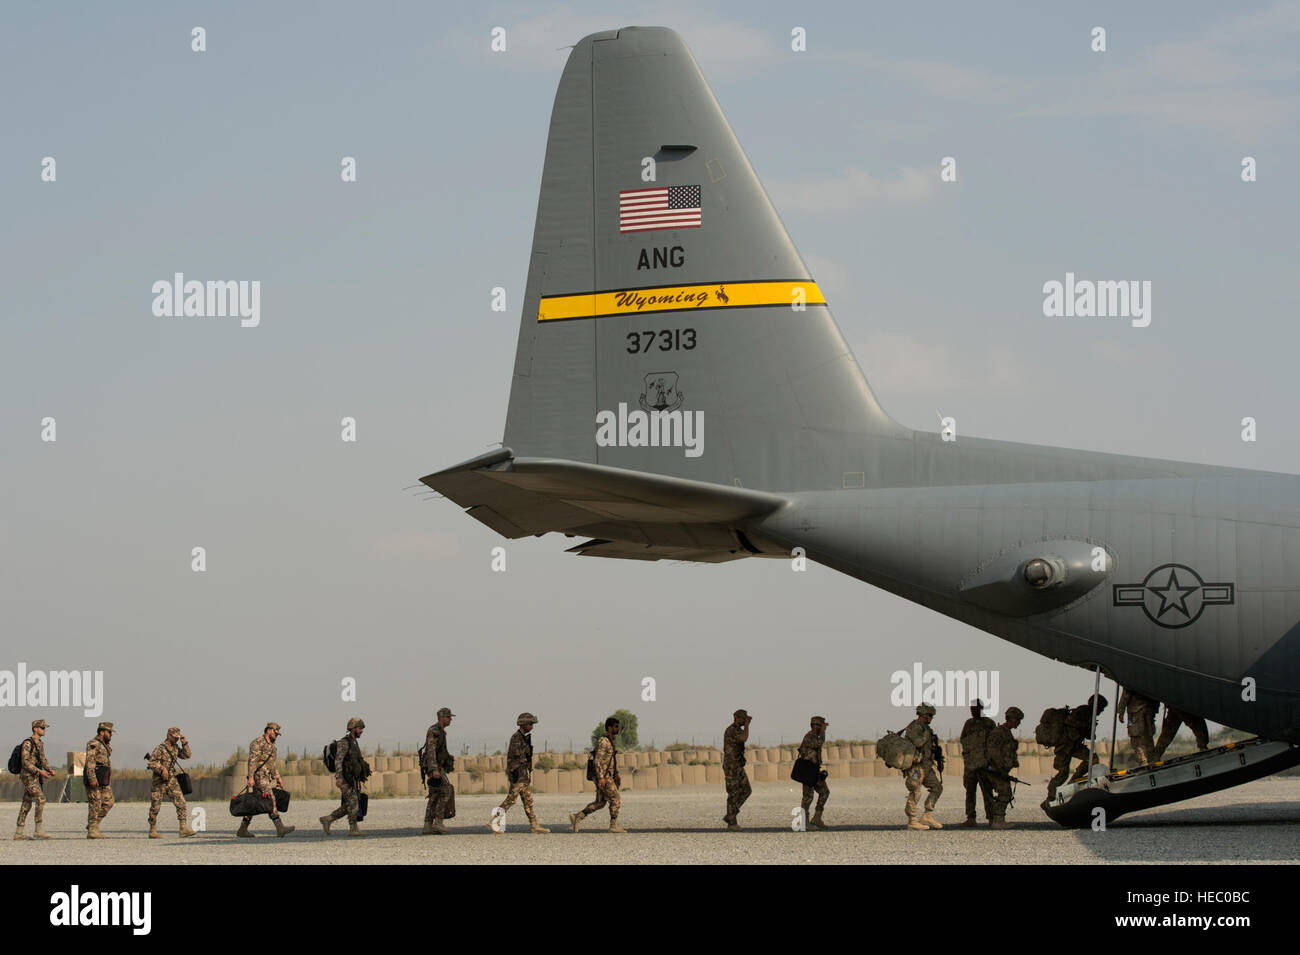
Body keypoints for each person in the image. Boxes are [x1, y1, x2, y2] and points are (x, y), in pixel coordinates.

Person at [1044, 695, 1107, 808]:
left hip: (1074, 746)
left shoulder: (1090, 715)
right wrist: (1086, 725)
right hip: (1066, 746)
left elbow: (1088, 735)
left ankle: (1072, 783)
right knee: (1063, 773)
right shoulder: (1083, 711)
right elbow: (1069, 721)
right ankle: (1050, 798)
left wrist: (1090, 729)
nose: (1101, 711)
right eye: (1101, 709)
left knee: (1092, 759)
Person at [494, 712, 549, 834]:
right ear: (523, 724)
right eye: (530, 724)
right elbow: (516, 756)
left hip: (523, 775)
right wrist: (525, 760)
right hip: (518, 774)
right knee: (511, 799)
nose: (532, 726)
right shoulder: (516, 738)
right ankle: (494, 822)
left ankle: (534, 825)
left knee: (528, 800)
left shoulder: (524, 738)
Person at [571, 716, 625, 833]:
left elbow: (611, 760)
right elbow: (597, 760)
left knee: (600, 803)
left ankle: (577, 817)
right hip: (604, 777)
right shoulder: (603, 741)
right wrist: (601, 777)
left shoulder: (611, 741)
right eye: (616, 727)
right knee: (616, 799)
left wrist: (616, 774)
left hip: (608, 775)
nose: (617, 729)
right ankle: (613, 825)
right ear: (609, 727)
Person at [240, 721, 294, 838]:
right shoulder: (258, 743)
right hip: (258, 776)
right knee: (270, 797)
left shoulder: (273, 747)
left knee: (254, 803)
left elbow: (272, 765)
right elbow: (252, 761)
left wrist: (278, 777)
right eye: (275, 733)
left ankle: (242, 829)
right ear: (269, 730)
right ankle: (280, 827)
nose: (276, 736)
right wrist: (250, 777)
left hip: (266, 776)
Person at [321, 717, 369, 837]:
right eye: (359, 728)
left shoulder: (354, 742)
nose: (361, 731)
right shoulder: (344, 742)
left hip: (352, 779)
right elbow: (338, 760)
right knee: (353, 803)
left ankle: (328, 819)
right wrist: (339, 777)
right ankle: (353, 828)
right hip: (344, 779)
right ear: (353, 728)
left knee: (349, 804)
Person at [147, 726, 196, 838]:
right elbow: (151, 763)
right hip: (159, 781)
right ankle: (152, 830)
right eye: (175, 738)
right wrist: (161, 769)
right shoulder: (160, 748)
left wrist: (184, 743)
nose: (176, 740)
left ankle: (183, 828)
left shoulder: (175, 748)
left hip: (171, 780)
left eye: (178, 738)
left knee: (181, 802)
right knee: (155, 806)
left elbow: (187, 755)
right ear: (169, 736)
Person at [902, 704, 943, 830]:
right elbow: (918, 742)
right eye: (929, 716)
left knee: (937, 787)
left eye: (932, 716)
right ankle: (912, 820)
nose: (931, 718)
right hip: (916, 767)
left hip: (926, 766)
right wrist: (926, 734)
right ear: (922, 715)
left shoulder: (926, 728)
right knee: (915, 791)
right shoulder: (914, 727)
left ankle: (927, 815)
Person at [14, 719, 54, 840]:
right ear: (35, 729)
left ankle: (19, 832)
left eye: (44, 728)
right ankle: (38, 830)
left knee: (27, 802)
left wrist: (49, 769)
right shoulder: (27, 743)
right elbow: (25, 762)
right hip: (28, 776)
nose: (44, 730)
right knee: (41, 799)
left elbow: (42, 759)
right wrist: (40, 771)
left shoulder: (40, 743)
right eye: (42, 728)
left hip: (35, 776)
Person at [958, 699, 996, 827]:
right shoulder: (968, 724)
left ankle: (991, 817)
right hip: (971, 764)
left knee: (987, 791)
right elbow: (963, 740)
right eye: (972, 708)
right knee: (970, 791)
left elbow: (994, 743)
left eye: (976, 708)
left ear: (981, 708)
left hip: (984, 764)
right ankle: (970, 817)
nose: (974, 711)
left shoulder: (989, 723)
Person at [985, 706, 1024, 829]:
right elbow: (993, 751)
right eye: (1017, 719)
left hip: (1000, 769)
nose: (1018, 722)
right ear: (1010, 719)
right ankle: (998, 820)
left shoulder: (1006, 732)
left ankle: (995, 819)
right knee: (1005, 793)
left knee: (1003, 792)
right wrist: (1000, 768)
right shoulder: (999, 732)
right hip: (995, 770)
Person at [422, 707, 456, 835]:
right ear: (441, 718)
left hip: (438, 767)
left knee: (435, 795)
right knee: (447, 789)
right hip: (434, 768)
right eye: (448, 717)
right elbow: (430, 751)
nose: (450, 719)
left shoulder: (441, 732)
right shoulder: (434, 731)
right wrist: (434, 769)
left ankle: (427, 825)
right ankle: (438, 822)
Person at [797, 716, 830, 829]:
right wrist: (823, 732)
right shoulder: (810, 736)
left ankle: (817, 818)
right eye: (820, 725)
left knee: (824, 792)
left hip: (814, 770)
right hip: (808, 771)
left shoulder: (815, 736)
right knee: (808, 796)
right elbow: (818, 743)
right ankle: (803, 822)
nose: (821, 727)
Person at [84, 721, 115, 839]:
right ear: (102, 732)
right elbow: (90, 761)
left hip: (103, 779)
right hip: (95, 778)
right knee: (95, 803)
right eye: (109, 732)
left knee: (109, 802)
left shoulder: (104, 745)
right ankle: (92, 830)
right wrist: (92, 778)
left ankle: (94, 823)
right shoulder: (93, 743)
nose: (111, 735)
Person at [722, 709, 752, 831]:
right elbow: (744, 738)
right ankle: (732, 823)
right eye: (742, 718)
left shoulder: (739, 730)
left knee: (746, 790)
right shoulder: (732, 730)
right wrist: (748, 726)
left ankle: (731, 814)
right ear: (736, 718)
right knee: (733, 793)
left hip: (738, 766)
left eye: (745, 719)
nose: (744, 721)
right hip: (731, 766)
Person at [1117, 687, 1158, 767]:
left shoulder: (1133, 677)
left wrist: (1121, 711)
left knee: (1137, 739)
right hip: (1149, 710)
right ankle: (1152, 760)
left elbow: (1126, 694)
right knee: (1148, 737)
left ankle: (1144, 762)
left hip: (1135, 712)